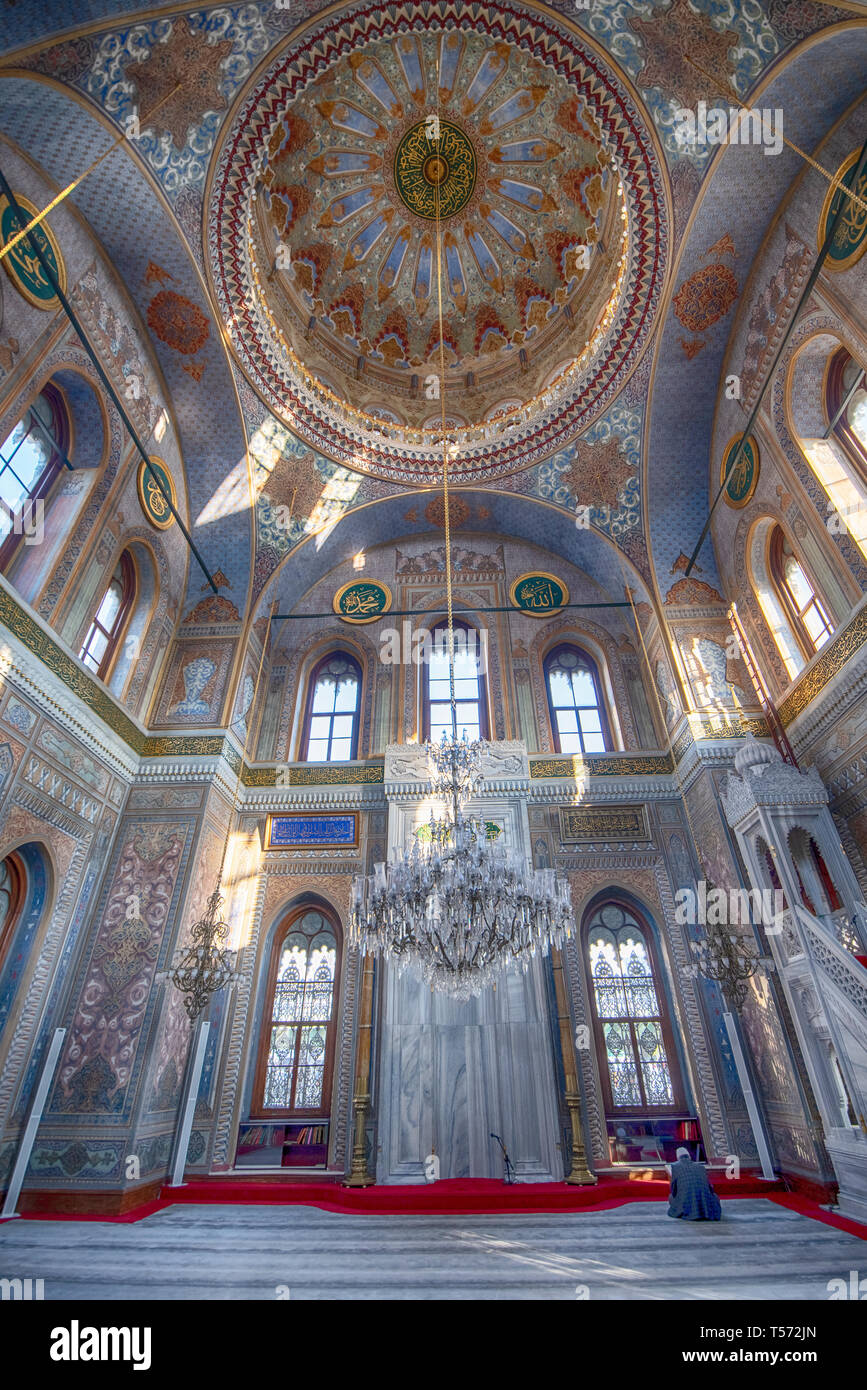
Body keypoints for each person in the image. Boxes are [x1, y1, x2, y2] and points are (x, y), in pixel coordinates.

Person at [667, 1147, 722, 1221]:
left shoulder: (674, 1167)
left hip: (686, 1204)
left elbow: (674, 1191)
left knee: (671, 1197)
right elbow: (710, 1188)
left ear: (678, 1158)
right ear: (689, 1156)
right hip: (706, 1206)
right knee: (715, 1197)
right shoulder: (701, 1167)